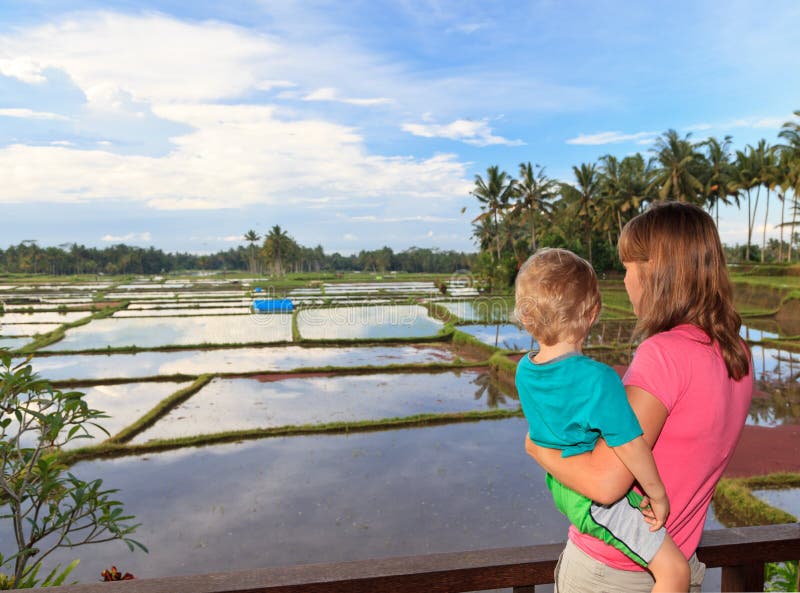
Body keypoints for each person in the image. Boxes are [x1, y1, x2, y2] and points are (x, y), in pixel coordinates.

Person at [525, 202, 753, 592]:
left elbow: (606, 483)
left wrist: (536, 447)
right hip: (678, 560)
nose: (625, 279)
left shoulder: (664, 355)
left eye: (628, 266)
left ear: (655, 271)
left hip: (612, 573)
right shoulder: (738, 355)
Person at [515, 247, 689, 592]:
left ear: (526, 316)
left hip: (563, 486)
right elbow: (629, 444)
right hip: (595, 503)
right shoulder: (598, 380)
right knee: (675, 571)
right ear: (593, 312)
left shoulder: (525, 369)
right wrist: (657, 494)